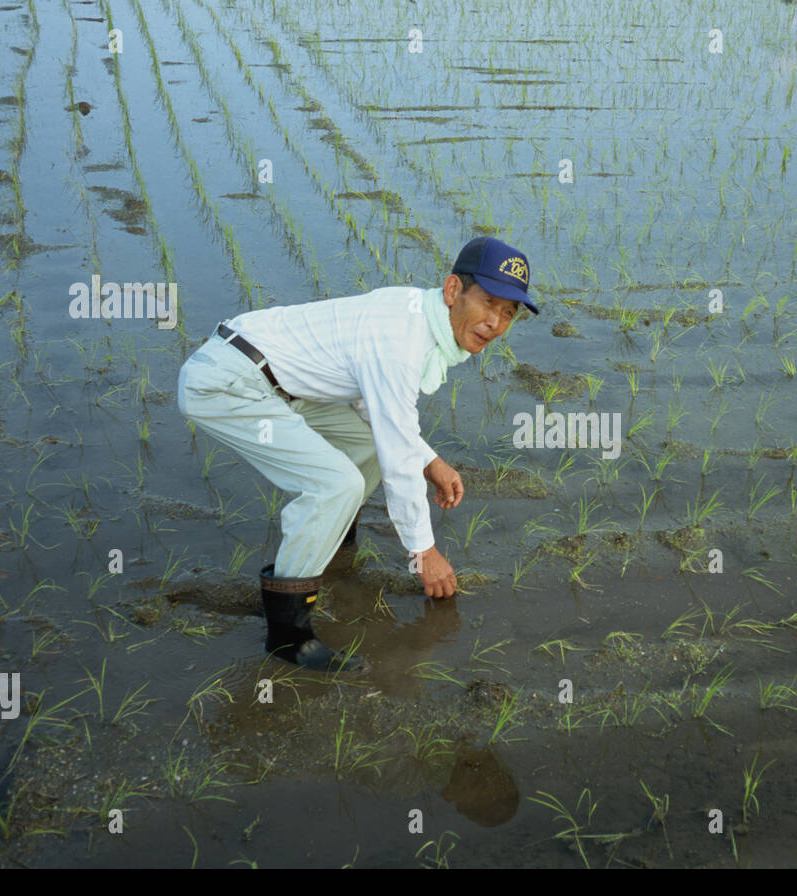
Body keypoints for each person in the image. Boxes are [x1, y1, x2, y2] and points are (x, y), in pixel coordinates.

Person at [176, 237, 539, 671]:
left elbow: (381, 419)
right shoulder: (400, 338)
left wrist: (432, 462)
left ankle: (320, 550)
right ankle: (288, 635)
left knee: (366, 448)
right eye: (489, 302)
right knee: (335, 483)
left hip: (280, 382)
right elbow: (400, 453)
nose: (494, 322)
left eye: (508, 313)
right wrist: (423, 552)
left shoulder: (415, 316)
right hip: (226, 382)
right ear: (452, 291)